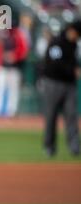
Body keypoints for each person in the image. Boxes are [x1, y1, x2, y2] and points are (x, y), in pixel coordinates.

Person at [40, 20, 81, 157]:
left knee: (71, 115)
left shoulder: (74, 44)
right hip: (53, 82)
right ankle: (49, 147)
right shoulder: (57, 42)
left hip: (69, 85)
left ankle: (74, 147)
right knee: (51, 116)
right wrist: (72, 71)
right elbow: (54, 63)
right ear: (72, 30)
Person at [0, 13, 30, 117]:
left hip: (14, 68)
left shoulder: (19, 35)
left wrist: (14, 56)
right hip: (1, 67)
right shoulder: (2, 34)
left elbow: (24, 51)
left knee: (13, 91)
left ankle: (11, 112)